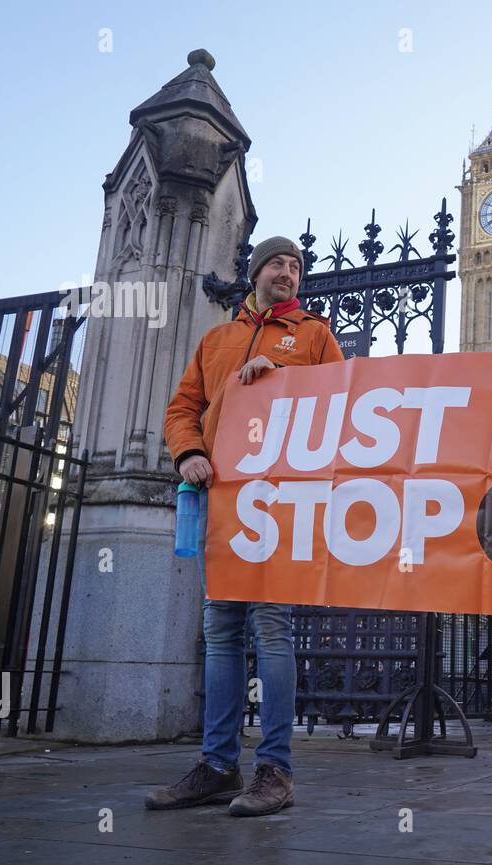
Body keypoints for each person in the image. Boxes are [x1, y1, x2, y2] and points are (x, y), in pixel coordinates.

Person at [148, 236, 345, 817]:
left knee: (273, 629)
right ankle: (216, 766)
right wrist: (187, 454)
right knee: (221, 628)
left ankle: (276, 769)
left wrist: (278, 374)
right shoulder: (216, 339)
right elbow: (181, 409)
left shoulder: (314, 335)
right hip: (220, 500)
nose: (288, 272)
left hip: (280, 501)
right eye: (278, 263)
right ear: (256, 273)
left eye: (296, 266)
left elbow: (342, 403)